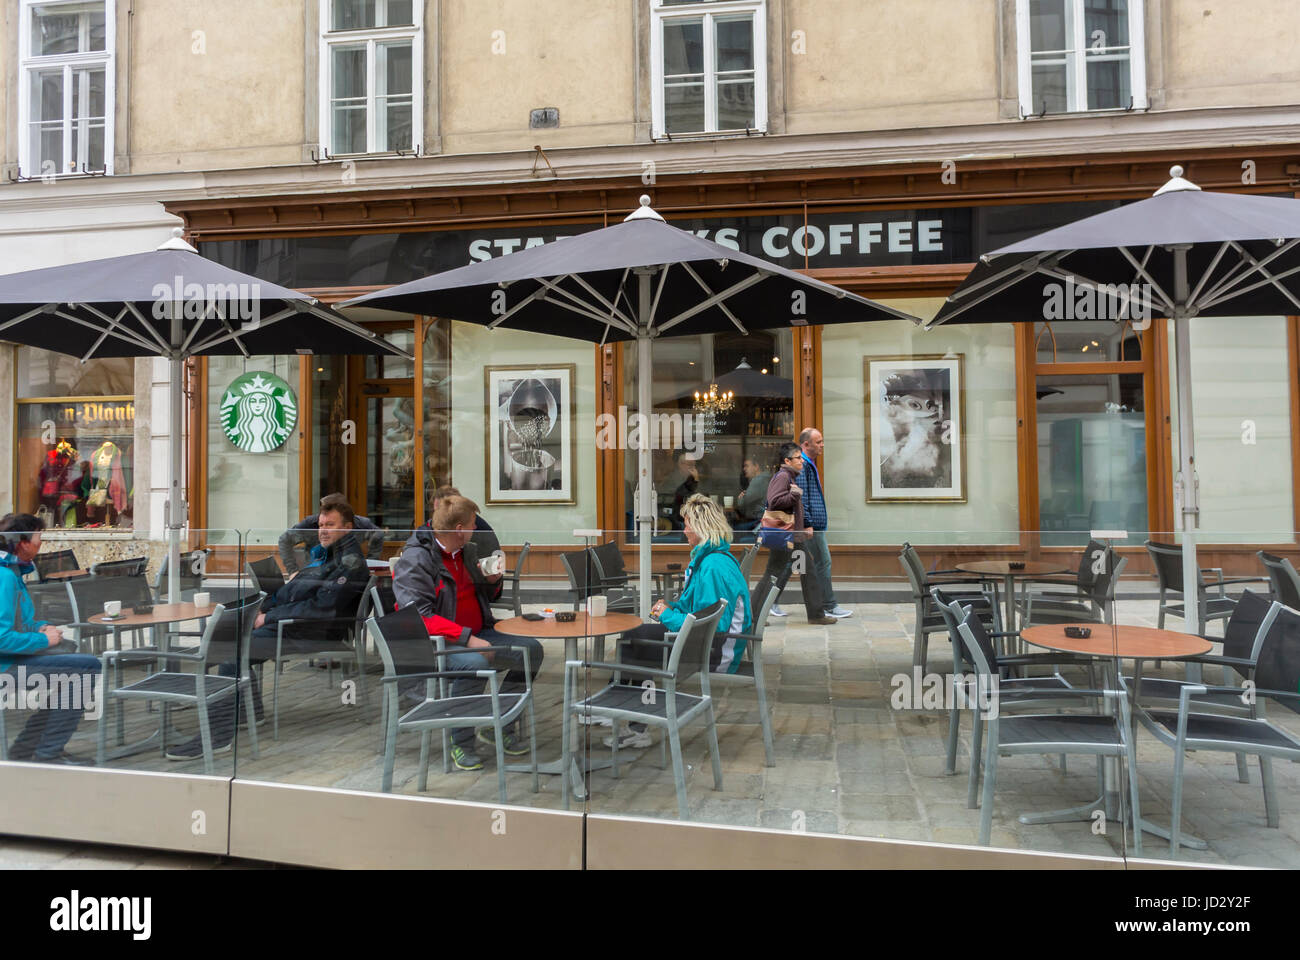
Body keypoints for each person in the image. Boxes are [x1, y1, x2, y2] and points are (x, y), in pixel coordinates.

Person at [166, 497, 371, 759]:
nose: (322, 530)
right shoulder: (326, 554)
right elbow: (293, 592)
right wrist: (259, 608)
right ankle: (244, 712)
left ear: (348, 527)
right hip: (294, 625)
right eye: (321, 525)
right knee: (221, 632)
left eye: (330, 525)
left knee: (232, 655)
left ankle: (216, 737)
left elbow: (321, 610)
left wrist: (269, 617)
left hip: (310, 633)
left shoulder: (349, 563)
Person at [392, 495, 542, 771]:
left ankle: (501, 724)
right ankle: (461, 740)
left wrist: (493, 582)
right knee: (476, 661)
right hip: (437, 643)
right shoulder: (416, 560)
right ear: (459, 529)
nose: (477, 528)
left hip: (479, 631)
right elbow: (419, 617)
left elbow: (488, 597)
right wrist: (467, 639)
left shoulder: (467, 552)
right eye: (473, 524)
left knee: (531, 650)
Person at [606, 494, 752, 749]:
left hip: (716, 653)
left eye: (687, 525)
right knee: (635, 637)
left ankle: (621, 711)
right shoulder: (712, 559)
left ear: (702, 528)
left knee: (636, 642)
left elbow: (712, 626)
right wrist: (671, 608)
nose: (684, 531)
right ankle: (624, 713)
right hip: (714, 645)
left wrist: (667, 616)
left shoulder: (713, 567)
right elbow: (699, 610)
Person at [0, 513, 101, 765]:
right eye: (39, 537)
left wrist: (41, 627)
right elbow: (1, 638)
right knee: (86, 668)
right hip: (5, 666)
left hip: (10, 660)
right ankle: (47, 753)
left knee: (75, 670)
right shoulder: (5, 577)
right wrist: (44, 641)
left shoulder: (12, 572)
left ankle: (28, 749)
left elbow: (18, 622)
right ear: (23, 543)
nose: (41, 543)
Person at [759, 444, 833, 625]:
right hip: (786, 537)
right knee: (773, 574)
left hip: (792, 537)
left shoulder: (789, 477)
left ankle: (816, 614)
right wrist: (795, 494)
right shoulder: (783, 476)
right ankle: (754, 616)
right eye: (798, 458)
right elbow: (774, 501)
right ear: (787, 460)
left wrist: (803, 525)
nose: (802, 461)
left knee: (807, 572)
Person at [799, 427, 852, 619]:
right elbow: (802, 498)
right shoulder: (803, 465)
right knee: (823, 561)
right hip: (812, 527)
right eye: (819, 441)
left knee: (791, 564)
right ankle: (829, 604)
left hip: (814, 525)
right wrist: (808, 523)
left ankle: (769, 602)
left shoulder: (808, 464)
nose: (822, 445)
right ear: (806, 444)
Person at [279, 493, 385, 574]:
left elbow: (378, 535)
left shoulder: (360, 523)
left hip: (347, 573)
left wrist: (371, 564)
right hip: (315, 573)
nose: (324, 528)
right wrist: (292, 571)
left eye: (330, 524)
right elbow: (285, 540)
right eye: (321, 525)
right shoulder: (310, 523)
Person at [427, 484, 500, 558]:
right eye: (435, 512)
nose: (437, 517)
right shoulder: (429, 529)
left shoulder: (471, 528)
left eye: (440, 511)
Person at [733, 456, 770, 532]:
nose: (744, 469)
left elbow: (743, 504)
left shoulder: (758, 481)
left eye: (747, 466)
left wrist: (740, 499)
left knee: (731, 527)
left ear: (756, 466)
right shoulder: (765, 478)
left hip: (757, 522)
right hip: (763, 521)